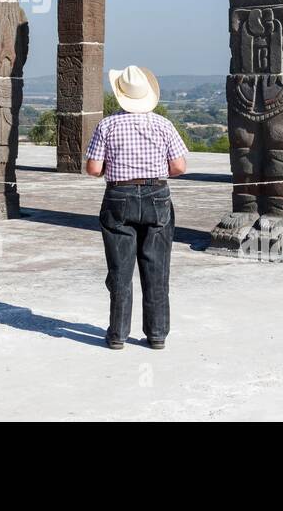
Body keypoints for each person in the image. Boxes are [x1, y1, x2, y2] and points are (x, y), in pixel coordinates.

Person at [85, 65, 188, 350]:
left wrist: (114, 166)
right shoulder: (163, 125)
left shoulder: (107, 125)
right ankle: (157, 334)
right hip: (156, 195)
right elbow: (179, 165)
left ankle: (117, 334)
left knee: (120, 271)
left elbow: (93, 168)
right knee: (156, 268)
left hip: (119, 195)